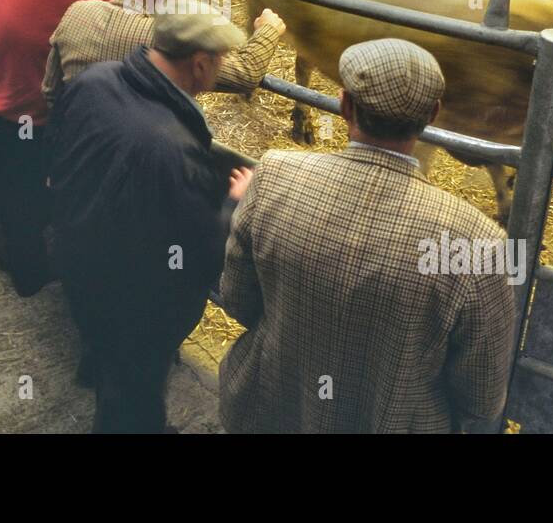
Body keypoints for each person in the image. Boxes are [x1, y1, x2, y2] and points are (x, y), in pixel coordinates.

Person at [220, 38, 516, 432]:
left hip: (270, 410)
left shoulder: (274, 176)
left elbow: (237, 299)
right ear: (432, 114)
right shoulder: (478, 242)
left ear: (344, 105)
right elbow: (482, 398)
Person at [47, 5, 253, 433]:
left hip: (77, 252)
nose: (222, 68)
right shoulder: (170, 147)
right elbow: (200, 251)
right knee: (135, 395)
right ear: (200, 64)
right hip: (132, 301)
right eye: (220, 59)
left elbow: (59, 150)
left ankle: (105, 382)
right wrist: (236, 203)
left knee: (112, 363)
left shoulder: (96, 80)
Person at [0, 0, 120, 294]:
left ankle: (9, 250)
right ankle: (28, 274)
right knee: (28, 192)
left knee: (8, 185)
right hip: (24, 108)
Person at [44, 0, 285, 110]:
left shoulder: (77, 12)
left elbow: (50, 92)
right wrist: (268, 30)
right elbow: (245, 74)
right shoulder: (166, 41)